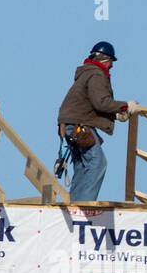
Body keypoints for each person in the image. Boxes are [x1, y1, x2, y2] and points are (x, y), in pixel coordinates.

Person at [57, 41, 136, 202]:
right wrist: (125, 107)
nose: (111, 66)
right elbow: (101, 102)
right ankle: (85, 206)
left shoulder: (88, 73)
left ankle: (76, 205)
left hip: (71, 124)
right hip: (79, 125)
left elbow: (93, 105)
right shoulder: (96, 74)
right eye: (111, 63)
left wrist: (116, 114)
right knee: (97, 162)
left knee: (82, 166)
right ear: (105, 60)